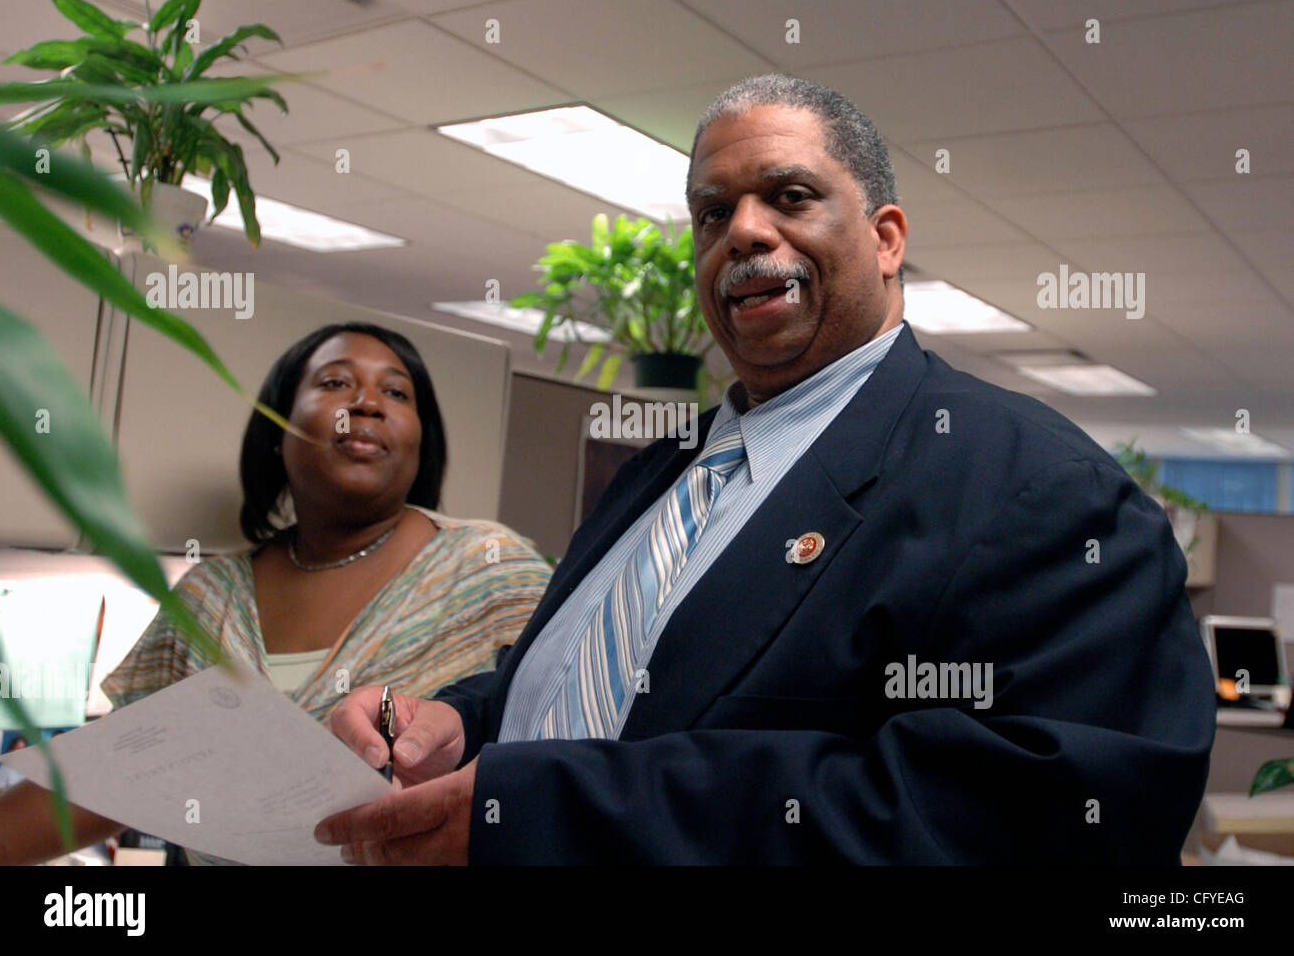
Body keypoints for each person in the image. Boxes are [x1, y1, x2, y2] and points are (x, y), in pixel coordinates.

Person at [319, 75, 1216, 865]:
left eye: (789, 196)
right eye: (713, 213)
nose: (743, 230)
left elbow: (1050, 823)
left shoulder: (1044, 490)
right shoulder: (662, 470)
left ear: (887, 238)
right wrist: (464, 722)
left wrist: (556, 813)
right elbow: (613, 682)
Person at [0, 322, 552, 865]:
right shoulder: (209, 596)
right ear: (278, 427)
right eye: (335, 382)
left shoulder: (487, 567)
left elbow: (566, 748)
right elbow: (119, 776)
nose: (367, 403)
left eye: (397, 392)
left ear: (420, 437)